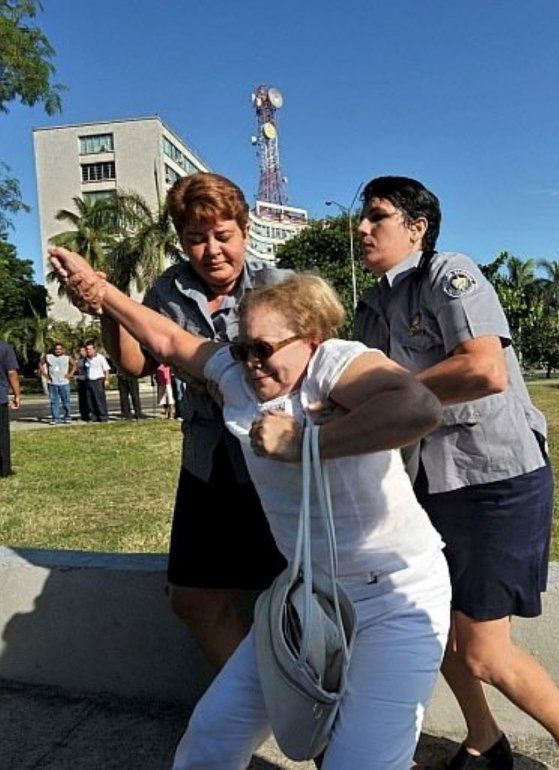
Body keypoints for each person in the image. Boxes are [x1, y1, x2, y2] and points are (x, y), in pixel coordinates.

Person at [50, 249, 452, 770]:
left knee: (359, 763)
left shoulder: (334, 364)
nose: (251, 362)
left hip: (396, 595)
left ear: (311, 338)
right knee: (211, 738)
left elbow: (419, 405)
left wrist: (305, 440)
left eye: (264, 348)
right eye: (242, 348)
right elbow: (168, 339)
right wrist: (103, 293)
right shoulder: (236, 375)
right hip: (308, 595)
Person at [352, 176, 559, 770]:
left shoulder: (449, 274)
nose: (363, 229)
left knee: (483, 653)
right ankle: (485, 739)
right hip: (427, 487)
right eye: (361, 219)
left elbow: (484, 369)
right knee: (432, 625)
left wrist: (391, 392)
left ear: (416, 229)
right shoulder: (372, 307)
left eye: (378, 217)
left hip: (494, 481)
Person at [53, 172, 290, 671]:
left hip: (272, 460)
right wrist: (106, 309)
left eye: (223, 235)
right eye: (196, 238)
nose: (212, 251)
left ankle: (303, 706)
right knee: (191, 598)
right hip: (206, 458)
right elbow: (135, 364)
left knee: (291, 592)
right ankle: (250, 698)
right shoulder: (168, 289)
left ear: (245, 231)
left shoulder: (278, 287)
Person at [0, 340, 20, 477]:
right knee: (2, 435)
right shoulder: (5, 348)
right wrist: (17, 394)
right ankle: (3, 468)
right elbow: (12, 372)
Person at [43, 342, 75, 425]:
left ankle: (67, 417)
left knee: (66, 401)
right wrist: (45, 374)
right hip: (52, 383)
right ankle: (56, 418)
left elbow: (74, 365)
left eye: (60, 349)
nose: (58, 351)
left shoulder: (67, 358)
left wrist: (70, 374)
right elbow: (40, 364)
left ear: (63, 350)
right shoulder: (48, 357)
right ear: (54, 350)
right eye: (56, 349)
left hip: (64, 383)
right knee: (54, 401)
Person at [84, 340, 110, 422]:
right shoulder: (86, 359)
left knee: (99, 399)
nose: (88, 351)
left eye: (90, 349)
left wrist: (107, 379)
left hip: (98, 381)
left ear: (94, 349)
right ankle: (94, 416)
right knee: (90, 400)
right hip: (89, 381)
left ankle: (103, 416)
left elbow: (106, 369)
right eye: (87, 349)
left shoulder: (100, 357)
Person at [74, 345, 91, 422]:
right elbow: (76, 370)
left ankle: (91, 414)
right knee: (82, 399)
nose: (81, 352)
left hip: (88, 380)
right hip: (81, 381)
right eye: (80, 351)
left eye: (83, 351)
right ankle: (83, 415)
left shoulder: (89, 359)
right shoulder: (79, 360)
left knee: (89, 398)